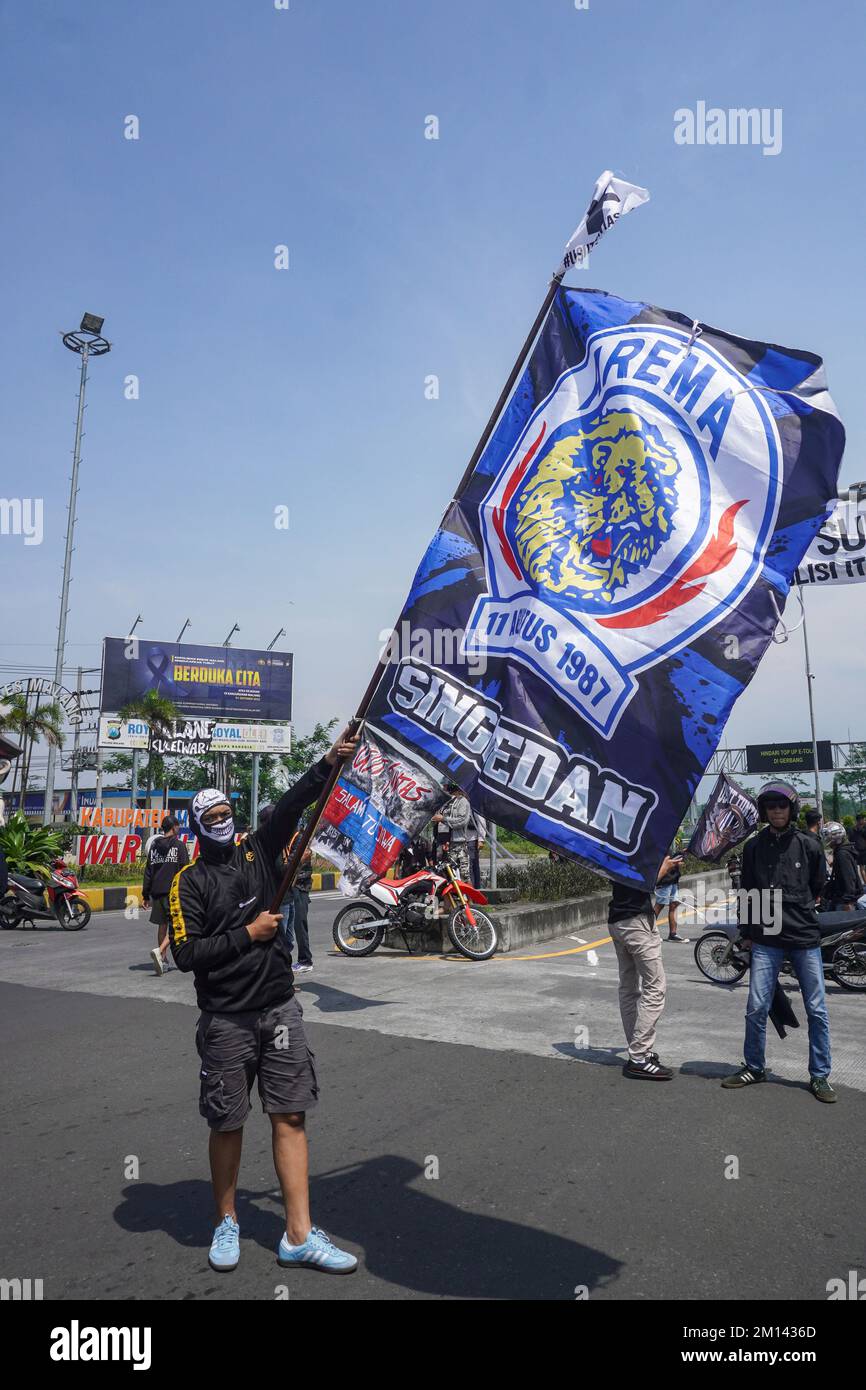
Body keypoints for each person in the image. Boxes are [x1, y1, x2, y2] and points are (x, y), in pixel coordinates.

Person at [168, 727, 360, 1275]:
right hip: (226, 1020)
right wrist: (247, 935)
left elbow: (297, 802)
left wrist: (326, 763)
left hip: (279, 1010)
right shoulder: (189, 881)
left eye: (227, 811)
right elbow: (186, 953)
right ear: (197, 828)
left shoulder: (260, 848)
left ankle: (298, 1234)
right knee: (227, 1122)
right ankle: (225, 1219)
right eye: (211, 817)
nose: (222, 820)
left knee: (291, 1115)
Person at [721, 780, 834, 1102]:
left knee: (817, 1009)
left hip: (804, 937)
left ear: (792, 809)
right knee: (756, 1006)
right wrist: (747, 932)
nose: (777, 811)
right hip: (766, 940)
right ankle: (755, 1067)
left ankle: (820, 1075)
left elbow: (817, 886)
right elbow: (749, 891)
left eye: (782, 805)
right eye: (771, 806)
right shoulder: (754, 847)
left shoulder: (809, 844)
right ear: (764, 811)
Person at [608, 851, 683, 1081]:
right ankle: (639, 1056)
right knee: (656, 986)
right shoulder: (635, 845)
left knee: (629, 988)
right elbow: (643, 882)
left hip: (618, 919)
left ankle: (638, 1049)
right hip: (635, 923)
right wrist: (664, 867)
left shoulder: (615, 844)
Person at [141, 814, 189, 976]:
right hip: (174, 892)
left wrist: (145, 895)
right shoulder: (179, 846)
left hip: (157, 892)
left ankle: (163, 959)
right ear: (174, 827)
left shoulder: (154, 847)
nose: (179, 828)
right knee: (179, 925)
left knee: (162, 925)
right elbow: (185, 871)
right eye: (178, 826)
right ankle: (160, 950)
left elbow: (148, 872)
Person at [432, 786, 472, 880]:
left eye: (446, 786)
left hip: (458, 843)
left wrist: (443, 819)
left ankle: (468, 894)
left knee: (464, 875)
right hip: (442, 841)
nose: (443, 788)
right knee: (444, 875)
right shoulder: (445, 802)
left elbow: (461, 821)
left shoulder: (463, 801)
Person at [821, 822, 861, 910]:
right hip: (842, 897)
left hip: (845, 900)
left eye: (827, 836)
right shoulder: (843, 850)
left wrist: (848, 901)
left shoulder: (842, 854)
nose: (826, 839)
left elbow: (849, 878)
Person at [654, 848, 688, 942]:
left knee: (674, 905)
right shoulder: (659, 845)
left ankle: (673, 934)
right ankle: (649, 932)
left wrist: (681, 853)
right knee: (659, 905)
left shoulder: (667, 845)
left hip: (673, 880)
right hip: (664, 881)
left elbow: (672, 858)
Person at [467, 810, 487, 890]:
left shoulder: (473, 805)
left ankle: (475, 889)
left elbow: (481, 821)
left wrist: (481, 839)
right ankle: (474, 889)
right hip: (464, 839)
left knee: (471, 865)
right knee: (470, 866)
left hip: (473, 839)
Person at [850, 811, 866, 887]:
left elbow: (850, 840)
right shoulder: (862, 830)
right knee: (861, 868)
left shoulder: (853, 829)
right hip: (861, 851)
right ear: (860, 820)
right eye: (863, 819)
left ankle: (860, 884)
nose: (864, 821)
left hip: (857, 850)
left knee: (859, 868)